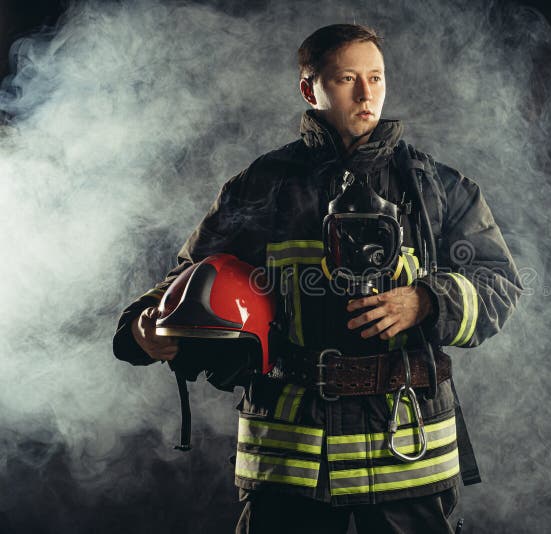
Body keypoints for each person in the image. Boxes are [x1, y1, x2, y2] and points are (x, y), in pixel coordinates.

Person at [113, 23, 522, 533]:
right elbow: (188, 277)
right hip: (292, 457)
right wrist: (144, 326)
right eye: (348, 78)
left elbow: (500, 283)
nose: (366, 93)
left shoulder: (437, 187)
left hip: (405, 452)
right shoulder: (261, 185)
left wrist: (427, 301)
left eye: (376, 77)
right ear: (311, 90)